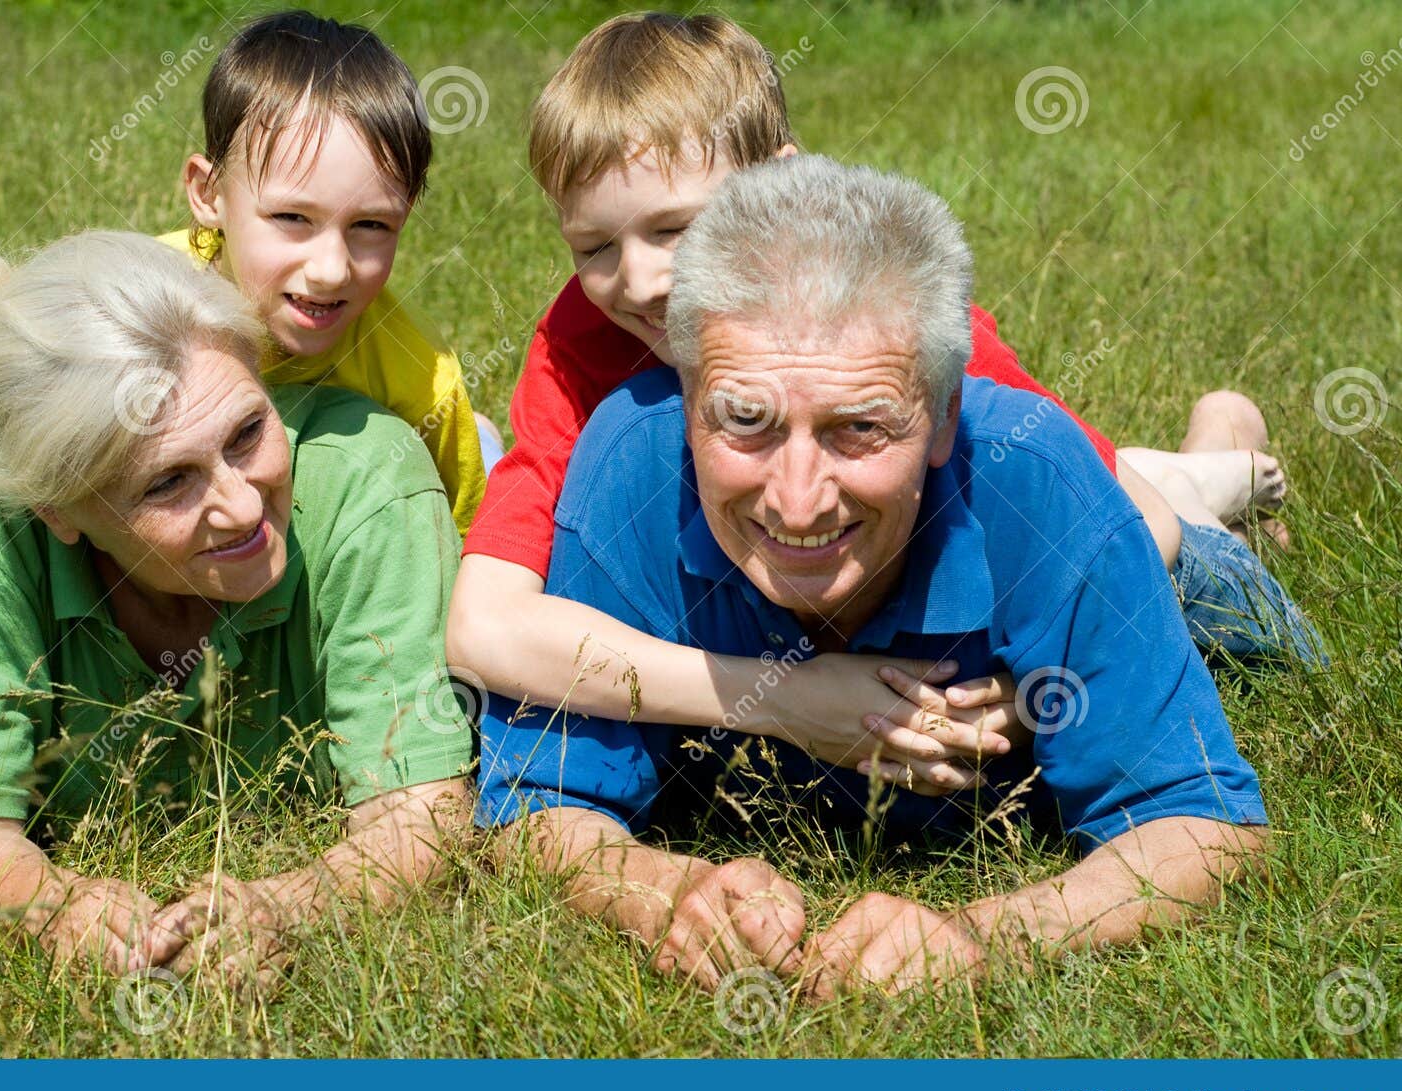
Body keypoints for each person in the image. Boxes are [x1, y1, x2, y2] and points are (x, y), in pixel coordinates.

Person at [450, 12, 1317, 805]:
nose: (639, 281)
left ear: (781, 184)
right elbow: (485, 628)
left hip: (1134, 539)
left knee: (1216, 580)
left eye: (677, 230)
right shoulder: (580, 345)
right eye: (595, 246)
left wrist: (1022, 698)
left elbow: (1135, 527)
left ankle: (1225, 458)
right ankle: (1212, 454)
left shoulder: (885, 324)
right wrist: (784, 700)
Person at [475, 157, 1275, 998]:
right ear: (689, 389)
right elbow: (531, 805)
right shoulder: (632, 465)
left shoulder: (1039, 480)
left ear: (940, 419)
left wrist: (979, 937)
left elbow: (1204, 823)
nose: (796, 500)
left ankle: (1223, 439)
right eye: (746, 420)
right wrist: (661, 893)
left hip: (1167, 559)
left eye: (859, 427)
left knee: (1220, 578)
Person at [0, 231, 474, 994]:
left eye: (248, 432)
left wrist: (284, 907)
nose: (243, 504)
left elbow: (422, 819)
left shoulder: (372, 482)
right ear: (57, 507)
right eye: (169, 482)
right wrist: (59, 908)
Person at [159, 9, 501, 538]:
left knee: (483, 458)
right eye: (293, 218)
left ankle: (488, 444)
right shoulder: (134, 305)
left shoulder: (420, 379)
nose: (330, 270)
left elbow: (472, 540)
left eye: (370, 225)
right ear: (209, 194)